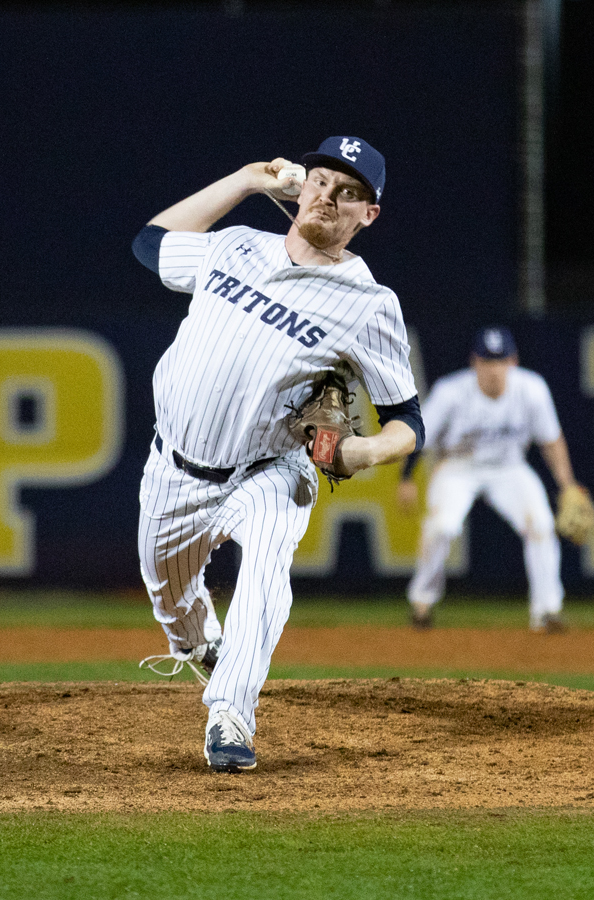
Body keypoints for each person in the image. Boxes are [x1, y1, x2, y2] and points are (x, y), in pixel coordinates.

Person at [130, 136, 423, 773]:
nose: (330, 196)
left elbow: (408, 422)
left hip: (269, 469)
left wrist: (366, 450)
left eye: (350, 193)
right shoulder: (236, 244)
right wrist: (243, 179)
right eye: (322, 180)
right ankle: (205, 645)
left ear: (366, 216)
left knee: (267, 566)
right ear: (300, 186)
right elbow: (149, 243)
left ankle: (231, 714)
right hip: (172, 470)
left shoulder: (369, 305)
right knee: (171, 600)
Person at [396, 326, 583, 633]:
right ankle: (422, 603)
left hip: (509, 468)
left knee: (541, 524)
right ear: (474, 362)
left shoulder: (532, 389)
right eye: (487, 361)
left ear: (513, 361)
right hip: (458, 467)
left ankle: (547, 611)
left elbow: (552, 441)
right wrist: (406, 479)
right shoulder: (451, 391)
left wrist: (567, 485)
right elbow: (421, 435)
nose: (494, 368)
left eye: (501, 360)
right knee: (442, 527)